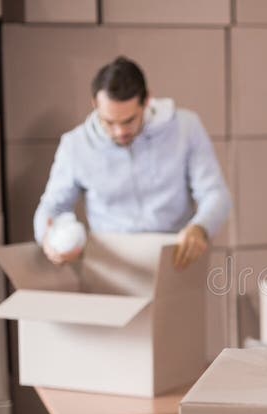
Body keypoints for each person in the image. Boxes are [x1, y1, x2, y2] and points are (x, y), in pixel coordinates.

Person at [33, 56, 230, 269]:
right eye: (109, 122)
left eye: (129, 120)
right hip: (111, 267)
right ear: (95, 105)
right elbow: (51, 207)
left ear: (146, 101)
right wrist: (47, 238)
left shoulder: (185, 128)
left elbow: (215, 193)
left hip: (176, 260)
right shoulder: (75, 145)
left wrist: (200, 227)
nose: (120, 132)